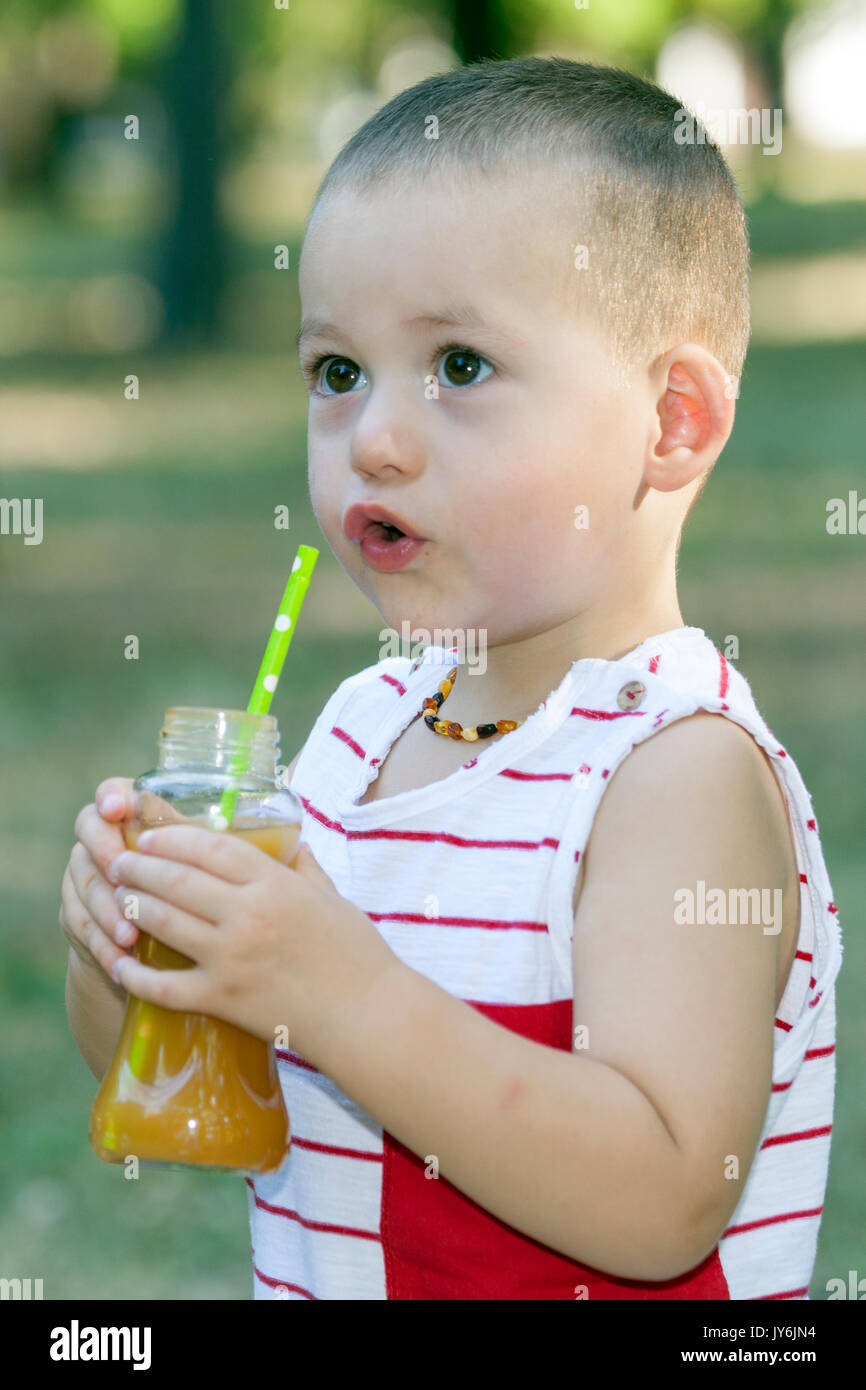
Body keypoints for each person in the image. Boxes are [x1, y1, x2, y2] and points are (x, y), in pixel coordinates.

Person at [61, 57, 842, 1300]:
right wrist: (138, 952)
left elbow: (660, 1201)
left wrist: (331, 989)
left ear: (670, 421)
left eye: (460, 367)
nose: (373, 434)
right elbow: (196, 1086)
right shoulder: (354, 736)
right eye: (336, 372)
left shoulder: (673, 773)